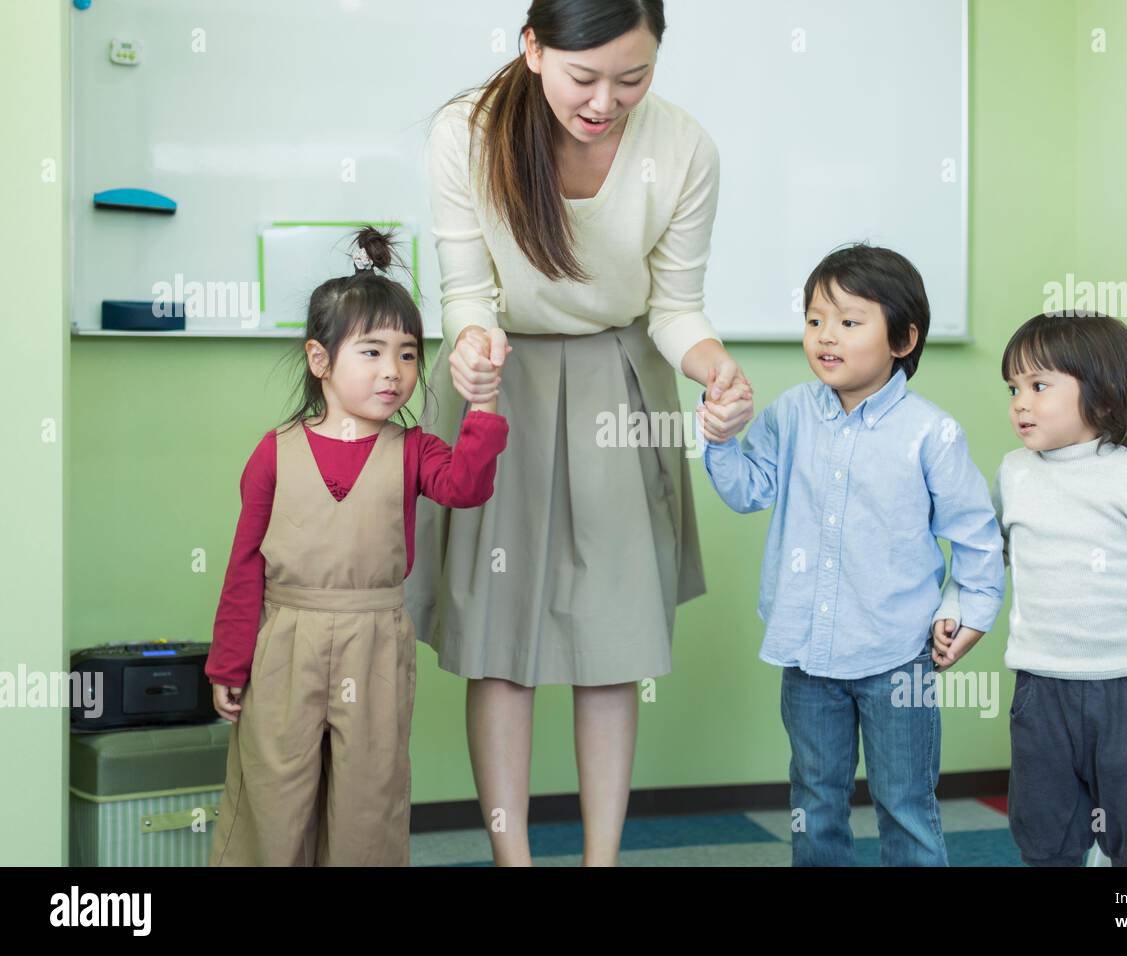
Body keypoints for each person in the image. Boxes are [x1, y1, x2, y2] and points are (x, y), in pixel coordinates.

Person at [407, 0, 753, 866]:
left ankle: (603, 860)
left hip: (618, 371)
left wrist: (716, 370)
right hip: (497, 377)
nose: (606, 101)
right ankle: (511, 859)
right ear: (532, 47)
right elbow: (466, 292)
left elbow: (674, 307)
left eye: (632, 78)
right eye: (584, 77)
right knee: (498, 636)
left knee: (612, 634)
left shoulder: (684, 149)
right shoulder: (468, 132)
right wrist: (476, 350)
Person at [205, 227, 509, 865]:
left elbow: (466, 488)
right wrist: (228, 664)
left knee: (369, 795)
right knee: (274, 789)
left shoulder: (415, 450)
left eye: (407, 354)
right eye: (371, 352)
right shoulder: (274, 452)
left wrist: (481, 411)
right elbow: (244, 567)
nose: (393, 372)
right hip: (285, 641)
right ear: (320, 360)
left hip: (374, 641)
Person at [699, 243, 1005, 866]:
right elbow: (750, 490)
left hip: (898, 654)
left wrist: (970, 613)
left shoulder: (931, 433)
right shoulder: (791, 414)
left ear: (903, 338)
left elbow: (975, 534)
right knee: (814, 801)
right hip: (809, 654)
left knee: (905, 802)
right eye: (815, 320)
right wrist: (723, 440)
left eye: (849, 320)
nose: (826, 337)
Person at [939, 311, 1127, 867]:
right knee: (1046, 839)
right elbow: (984, 557)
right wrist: (954, 606)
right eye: (1013, 388)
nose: (1020, 401)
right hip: (1040, 692)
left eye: (1039, 385)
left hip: (1125, 691)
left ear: (1106, 396)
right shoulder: (1015, 472)